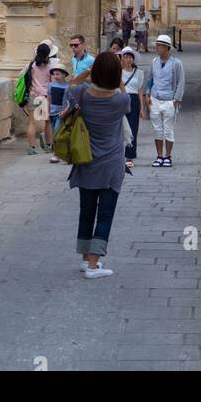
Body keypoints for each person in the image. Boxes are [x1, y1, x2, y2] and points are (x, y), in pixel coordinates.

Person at [62, 51, 130, 279]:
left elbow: (71, 84)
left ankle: (84, 259)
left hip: (86, 161)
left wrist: (88, 71)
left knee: (87, 211)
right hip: (111, 165)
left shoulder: (82, 95)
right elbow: (123, 90)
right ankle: (93, 265)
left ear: (97, 71)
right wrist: (117, 75)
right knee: (105, 214)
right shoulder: (120, 101)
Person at [144, 35, 185, 168]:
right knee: (157, 129)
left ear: (166, 47)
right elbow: (150, 79)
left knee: (168, 129)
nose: (157, 48)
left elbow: (180, 82)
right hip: (155, 99)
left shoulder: (176, 63)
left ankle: (168, 156)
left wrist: (176, 99)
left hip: (169, 100)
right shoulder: (154, 61)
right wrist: (147, 93)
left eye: (159, 45)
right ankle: (159, 156)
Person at [19, 42, 54, 155]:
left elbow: (21, 76)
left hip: (32, 96)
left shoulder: (31, 65)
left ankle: (32, 147)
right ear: (48, 54)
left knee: (31, 122)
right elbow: (52, 84)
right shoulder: (50, 68)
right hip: (45, 96)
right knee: (47, 122)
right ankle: (48, 146)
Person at [119, 46, 143, 171]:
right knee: (118, 129)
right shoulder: (118, 72)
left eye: (130, 57)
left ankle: (130, 156)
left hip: (133, 100)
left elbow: (140, 90)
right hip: (121, 99)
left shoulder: (139, 73)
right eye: (126, 57)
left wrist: (142, 107)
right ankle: (117, 155)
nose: (128, 60)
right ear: (122, 58)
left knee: (133, 129)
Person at [48, 64, 69, 163]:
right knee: (54, 133)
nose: (55, 76)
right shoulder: (51, 85)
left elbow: (69, 101)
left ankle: (56, 154)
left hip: (61, 113)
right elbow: (49, 98)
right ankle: (57, 152)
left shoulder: (67, 86)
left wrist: (65, 111)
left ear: (64, 75)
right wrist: (47, 110)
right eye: (54, 74)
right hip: (52, 112)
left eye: (58, 74)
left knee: (57, 133)